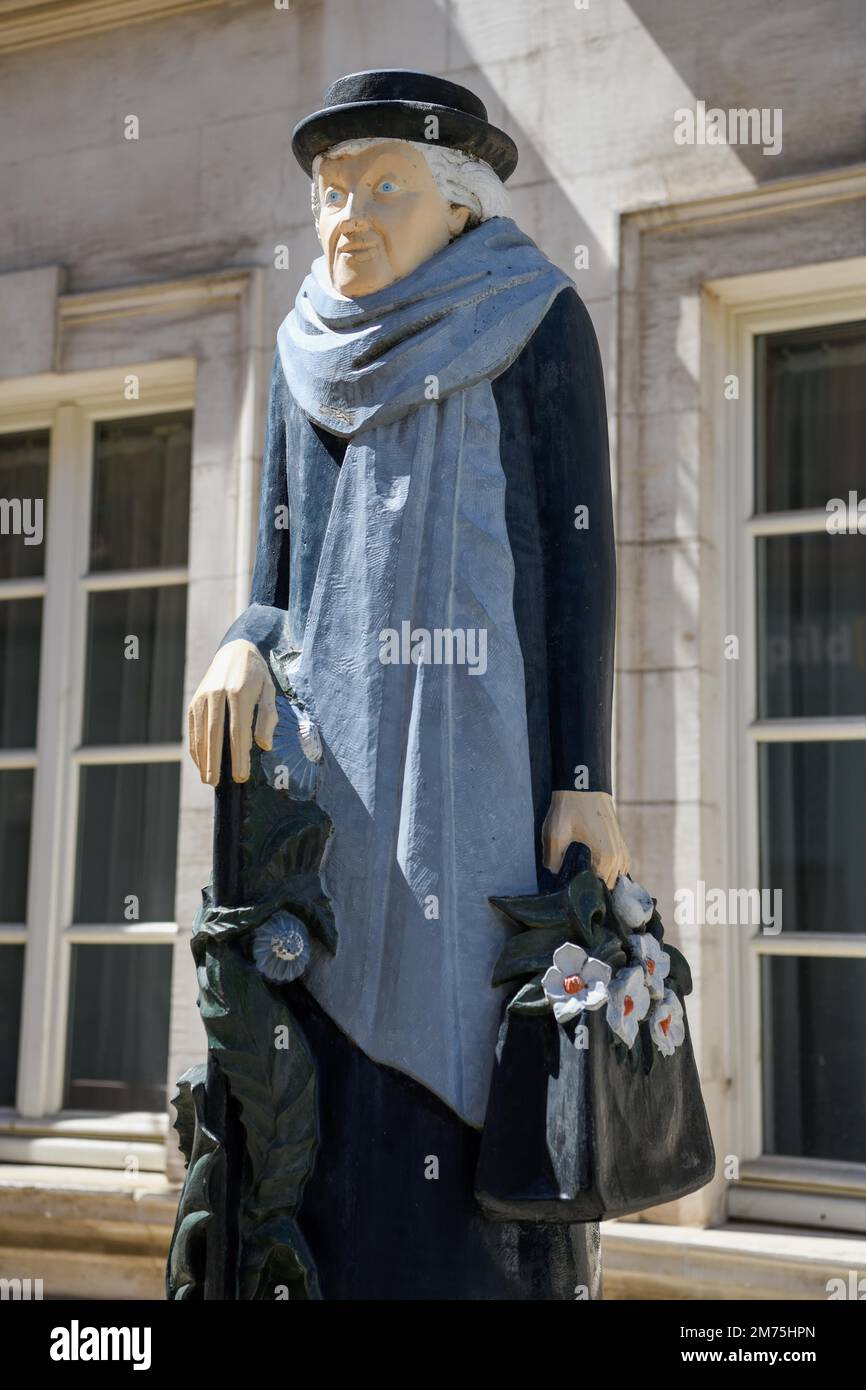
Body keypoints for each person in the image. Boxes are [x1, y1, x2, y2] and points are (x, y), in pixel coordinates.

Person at [187, 69, 630, 1300]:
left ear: (457, 202)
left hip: (485, 835)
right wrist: (239, 636)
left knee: (468, 1184)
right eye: (332, 193)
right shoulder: (295, 358)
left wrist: (583, 781)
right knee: (310, 1153)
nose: (348, 217)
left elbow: (580, 565)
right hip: (328, 834)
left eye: (382, 186)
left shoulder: (536, 319)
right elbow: (275, 572)